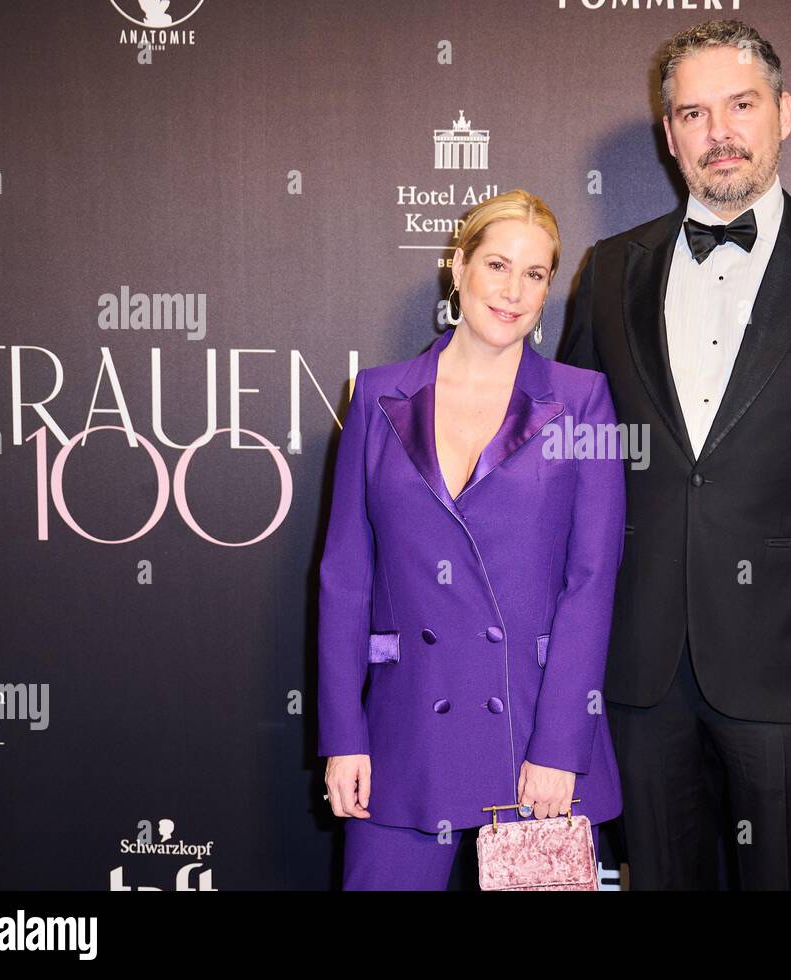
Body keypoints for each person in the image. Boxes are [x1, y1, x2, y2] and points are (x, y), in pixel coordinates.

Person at [558, 19, 791, 889]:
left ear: (783, 113)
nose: (718, 132)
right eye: (693, 114)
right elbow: (572, 469)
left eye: (741, 104)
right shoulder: (610, 269)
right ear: (669, 135)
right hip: (637, 667)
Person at [317, 190, 625, 890]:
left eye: (536, 274)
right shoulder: (376, 395)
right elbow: (345, 579)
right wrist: (344, 737)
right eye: (496, 265)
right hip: (402, 744)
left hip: (534, 743)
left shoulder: (584, 402)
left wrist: (561, 748)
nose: (513, 291)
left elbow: (592, 583)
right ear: (457, 267)